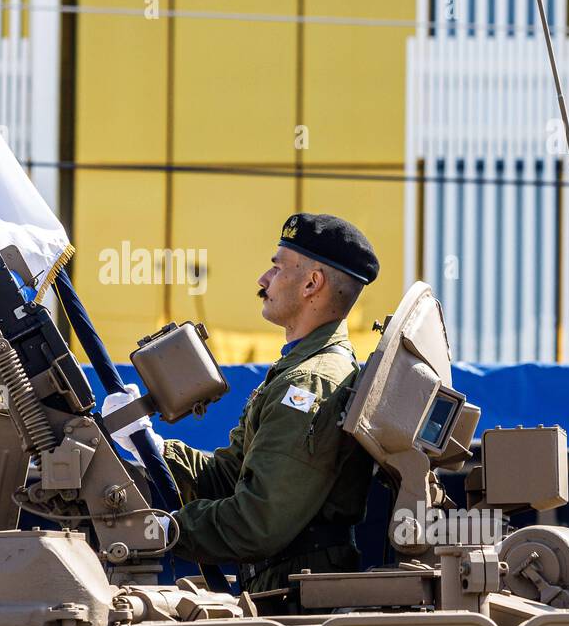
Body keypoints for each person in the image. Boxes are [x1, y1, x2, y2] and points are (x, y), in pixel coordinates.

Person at [103, 212, 380, 596]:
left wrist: (166, 529)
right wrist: (148, 447)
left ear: (312, 283)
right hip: (283, 589)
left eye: (277, 269)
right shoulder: (297, 370)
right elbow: (230, 477)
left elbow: (257, 522)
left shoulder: (309, 383)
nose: (263, 280)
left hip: (296, 601)